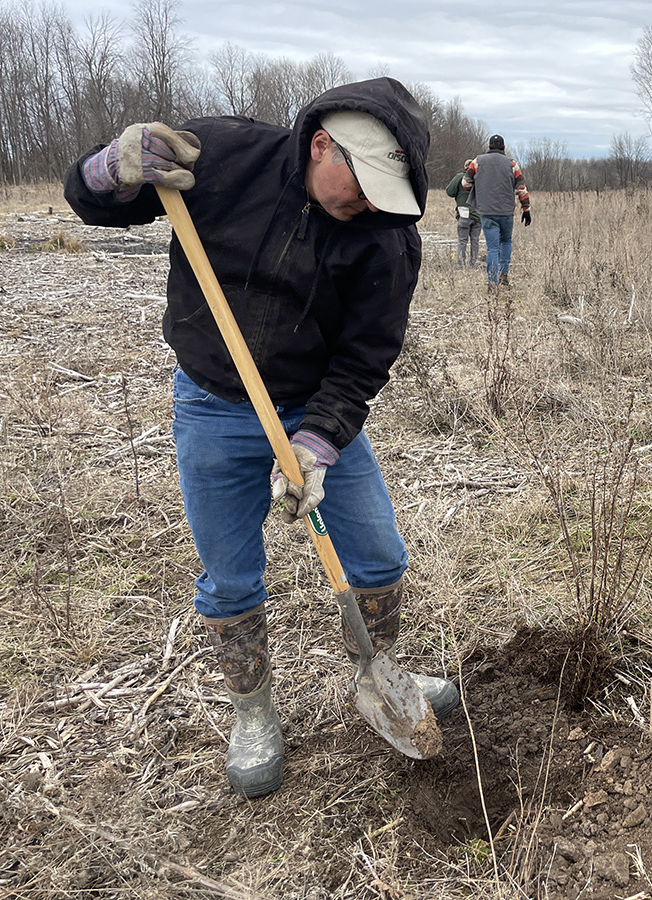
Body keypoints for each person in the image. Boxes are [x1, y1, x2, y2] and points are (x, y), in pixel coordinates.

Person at [63, 77, 459, 800]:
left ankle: (379, 669)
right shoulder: (220, 156)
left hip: (310, 405)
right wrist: (107, 171)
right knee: (230, 575)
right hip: (214, 401)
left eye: (384, 194)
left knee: (377, 552)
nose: (369, 204)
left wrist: (316, 443)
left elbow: (364, 359)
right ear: (319, 145)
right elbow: (92, 205)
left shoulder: (386, 242)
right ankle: (253, 712)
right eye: (363, 183)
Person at [462, 134, 531, 290]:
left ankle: (493, 283)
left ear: (489, 147)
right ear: (504, 148)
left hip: (486, 210)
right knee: (506, 241)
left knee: (492, 247)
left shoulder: (477, 161)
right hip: (506, 211)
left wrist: (478, 189)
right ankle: (504, 275)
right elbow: (521, 188)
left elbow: (465, 183)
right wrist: (526, 209)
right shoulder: (512, 164)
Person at [445, 161, 481, 267]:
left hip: (464, 213)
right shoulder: (480, 178)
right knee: (475, 240)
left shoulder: (460, 176)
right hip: (478, 214)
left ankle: (460, 264)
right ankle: (473, 263)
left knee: (462, 240)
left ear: (465, 167)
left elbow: (449, 191)